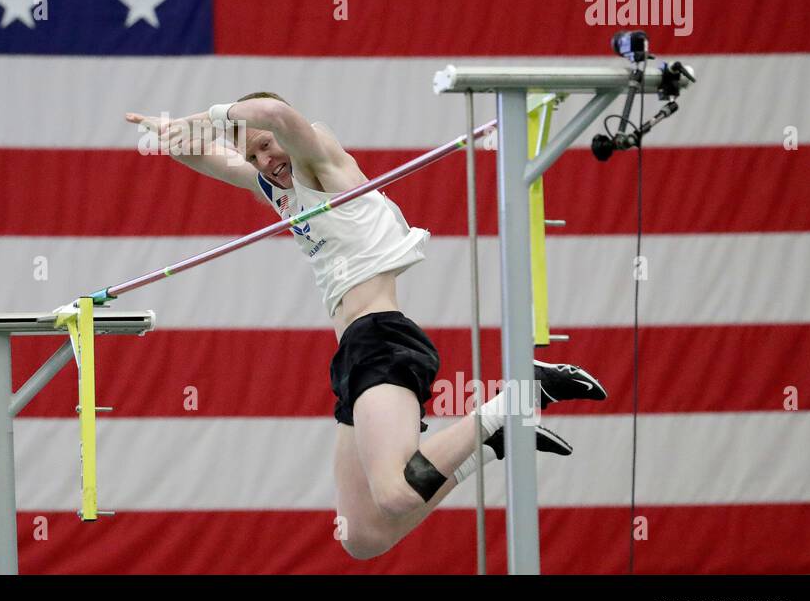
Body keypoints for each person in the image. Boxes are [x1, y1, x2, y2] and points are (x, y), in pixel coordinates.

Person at [126, 92, 607, 560]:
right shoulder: (273, 185)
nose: (266, 159)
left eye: (267, 144)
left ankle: (522, 395)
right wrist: (171, 133)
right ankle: (492, 440)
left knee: (396, 495)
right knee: (363, 536)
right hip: (353, 353)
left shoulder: (318, 158)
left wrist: (202, 117)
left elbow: (273, 113)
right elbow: (196, 154)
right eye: (252, 154)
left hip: (382, 340)